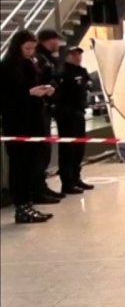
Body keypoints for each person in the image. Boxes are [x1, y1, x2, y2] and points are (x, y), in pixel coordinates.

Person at [1, 30, 56, 223]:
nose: (31, 52)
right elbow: (7, 97)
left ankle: (28, 202)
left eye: (33, 48)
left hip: (33, 120)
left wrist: (44, 90)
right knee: (19, 166)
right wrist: (28, 93)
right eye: (27, 48)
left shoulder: (30, 64)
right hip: (17, 124)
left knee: (32, 164)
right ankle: (21, 206)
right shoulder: (7, 67)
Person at [55, 46, 94, 195]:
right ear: (66, 56)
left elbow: (87, 85)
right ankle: (67, 181)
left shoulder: (82, 71)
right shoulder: (62, 72)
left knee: (79, 147)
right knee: (68, 149)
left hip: (79, 112)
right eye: (73, 55)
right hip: (66, 113)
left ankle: (76, 177)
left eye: (79, 54)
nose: (77, 57)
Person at [33, 29, 63, 200]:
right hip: (40, 109)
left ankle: (41, 186)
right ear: (49, 40)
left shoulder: (47, 58)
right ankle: (37, 189)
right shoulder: (39, 58)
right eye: (56, 41)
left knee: (44, 151)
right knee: (40, 151)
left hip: (46, 108)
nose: (58, 45)